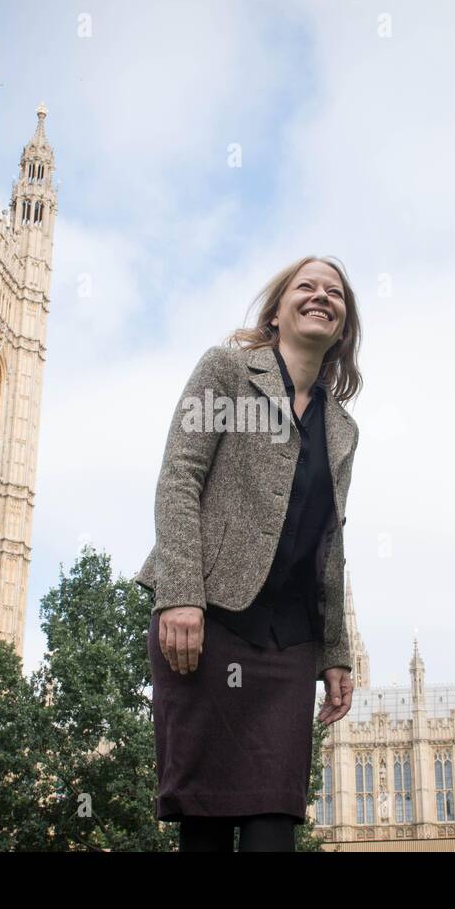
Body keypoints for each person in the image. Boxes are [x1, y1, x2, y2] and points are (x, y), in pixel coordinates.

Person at [134, 256, 362, 851]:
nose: (321, 297)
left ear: (344, 324)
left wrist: (336, 651)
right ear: (277, 308)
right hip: (207, 626)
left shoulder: (342, 428)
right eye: (306, 287)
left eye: (334, 293)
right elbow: (178, 478)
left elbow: (329, 544)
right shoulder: (228, 372)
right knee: (205, 821)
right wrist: (181, 595)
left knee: (273, 826)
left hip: (289, 645)